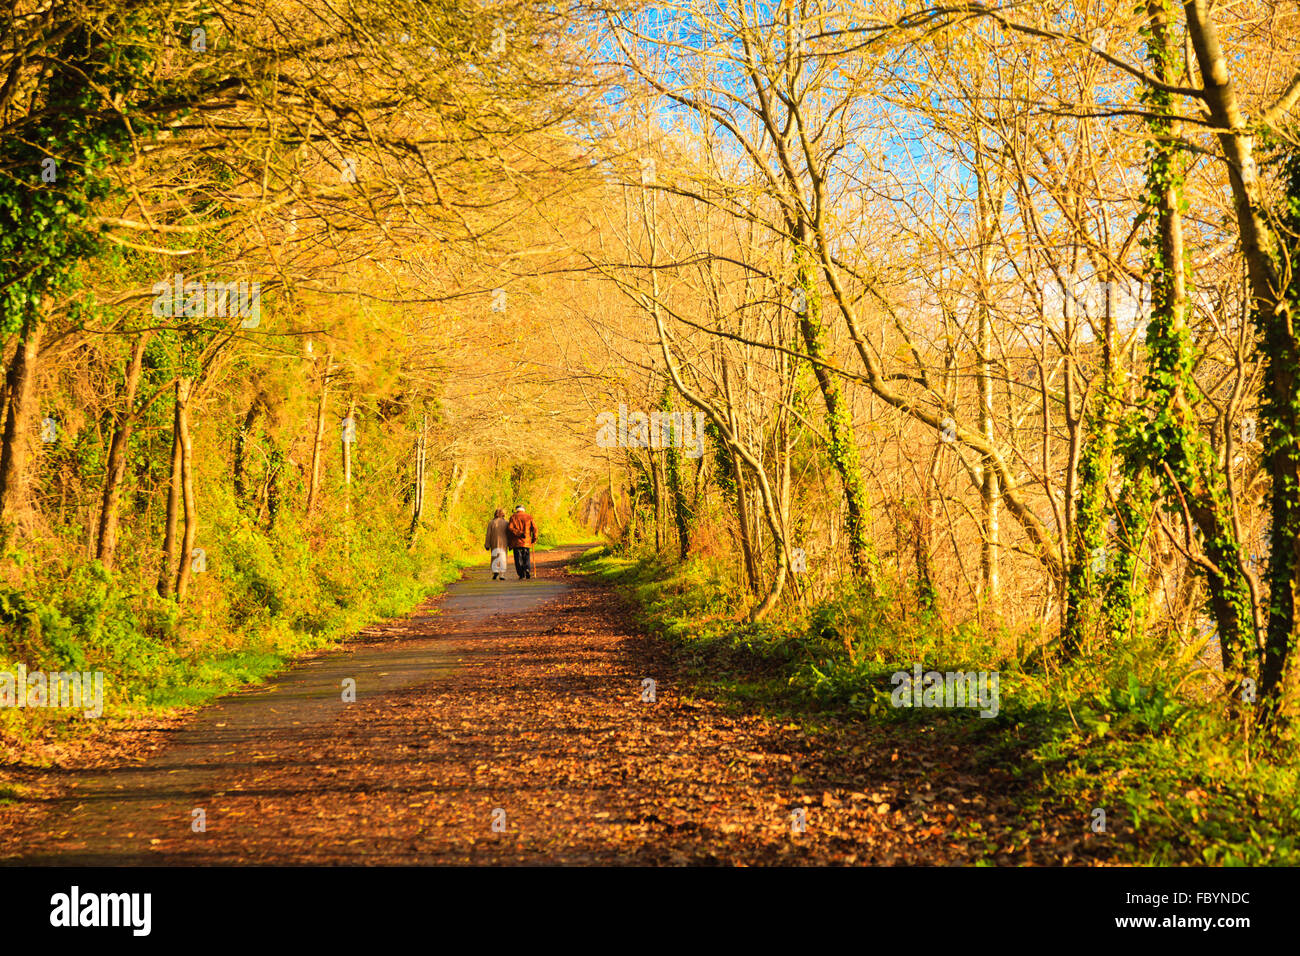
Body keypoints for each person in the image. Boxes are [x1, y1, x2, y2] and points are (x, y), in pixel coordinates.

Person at [506, 504, 538, 579]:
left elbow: (510, 528)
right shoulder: (529, 517)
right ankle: (527, 569)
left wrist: (518, 533)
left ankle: (521, 574)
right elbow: (535, 529)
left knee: (518, 558)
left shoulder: (513, 517)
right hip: (526, 541)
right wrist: (534, 538)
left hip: (516, 542)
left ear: (517, 510)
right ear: (524, 510)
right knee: (526, 557)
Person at [484, 508, 510, 580]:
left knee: (494, 556)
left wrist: (487, 544)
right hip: (504, 543)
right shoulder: (506, 523)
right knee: (503, 557)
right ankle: (502, 574)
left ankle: (495, 570)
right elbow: (509, 534)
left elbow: (488, 534)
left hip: (494, 542)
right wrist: (510, 544)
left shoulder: (491, 523)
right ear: (503, 514)